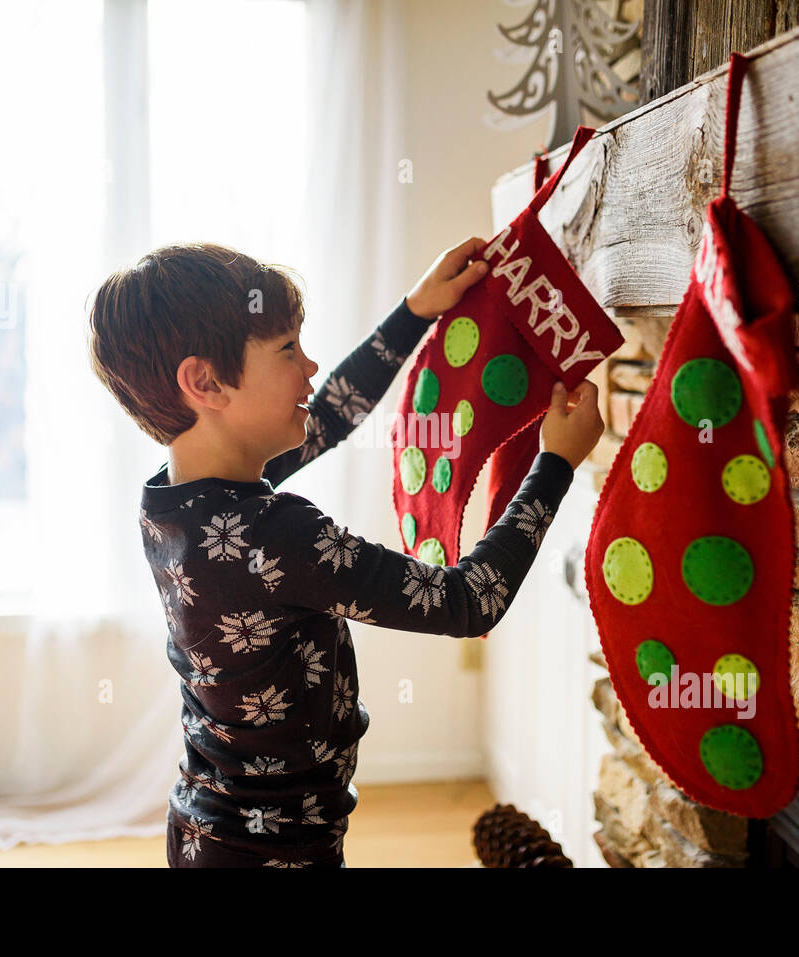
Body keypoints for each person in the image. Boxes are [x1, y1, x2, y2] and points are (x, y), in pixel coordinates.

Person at [87, 237, 603, 867]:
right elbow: (469, 603)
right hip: (276, 852)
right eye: (287, 350)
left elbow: (329, 415)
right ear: (206, 382)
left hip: (209, 829)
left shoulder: (174, 500)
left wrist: (417, 310)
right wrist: (555, 464)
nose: (310, 367)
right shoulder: (277, 535)